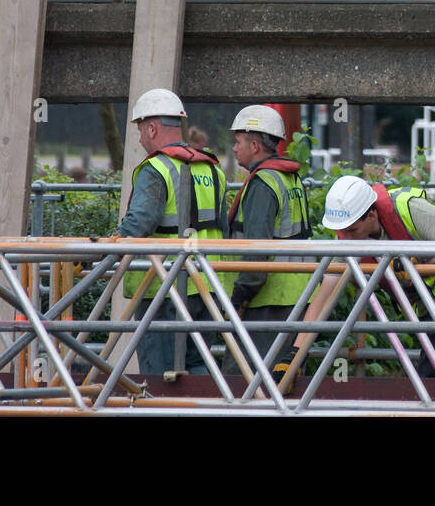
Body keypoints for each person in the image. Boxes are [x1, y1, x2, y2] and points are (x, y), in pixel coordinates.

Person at [303, 175, 435, 380]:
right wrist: (293, 356)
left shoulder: (407, 208)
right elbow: (323, 298)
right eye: (341, 232)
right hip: (430, 294)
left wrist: (420, 261)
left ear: (371, 215)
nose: (347, 239)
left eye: (352, 230)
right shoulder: (347, 237)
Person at [110, 88, 227, 376]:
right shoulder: (213, 169)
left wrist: (101, 252)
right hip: (207, 285)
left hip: (163, 288)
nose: (139, 138)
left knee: (160, 374)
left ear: (151, 128)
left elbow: (137, 225)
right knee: (199, 366)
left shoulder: (156, 169)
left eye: (140, 130)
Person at [223, 105, 313, 374]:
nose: (234, 148)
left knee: (245, 381)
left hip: (265, 301)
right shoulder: (290, 178)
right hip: (298, 297)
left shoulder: (263, 183)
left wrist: (239, 298)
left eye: (238, 142)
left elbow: (256, 252)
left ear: (254, 145)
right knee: (286, 381)